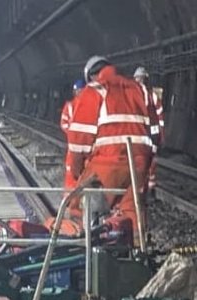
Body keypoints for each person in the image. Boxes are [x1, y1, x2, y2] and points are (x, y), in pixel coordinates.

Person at [63, 55, 154, 243]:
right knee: (133, 211)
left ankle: (81, 248)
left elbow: (79, 139)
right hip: (139, 162)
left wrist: (76, 169)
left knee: (78, 203)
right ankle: (137, 252)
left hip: (109, 161)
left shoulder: (97, 89)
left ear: (91, 76)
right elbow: (156, 133)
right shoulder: (140, 90)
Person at [135, 67, 164, 197]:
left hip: (152, 132)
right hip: (139, 132)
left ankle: (150, 186)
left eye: (141, 78)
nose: (139, 81)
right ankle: (140, 186)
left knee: (151, 159)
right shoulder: (133, 96)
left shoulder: (152, 95)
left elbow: (160, 114)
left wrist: (161, 132)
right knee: (140, 159)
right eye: (137, 78)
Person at [59, 80, 84, 189]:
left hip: (87, 144)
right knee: (71, 170)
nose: (79, 92)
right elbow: (64, 123)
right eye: (77, 90)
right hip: (75, 144)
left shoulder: (91, 105)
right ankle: (71, 197)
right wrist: (74, 134)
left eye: (80, 90)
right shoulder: (70, 106)